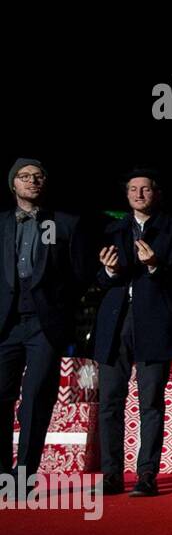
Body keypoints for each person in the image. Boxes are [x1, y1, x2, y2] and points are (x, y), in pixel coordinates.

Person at [92, 169, 172, 497]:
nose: (139, 194)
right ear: (127, 195)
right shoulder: (112, 228)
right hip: (115, 324)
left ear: (156, 193)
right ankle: (111, 475)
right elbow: (98, 280)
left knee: (151, 403)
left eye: (145, 189)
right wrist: (109, 270)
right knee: (109, 402)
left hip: (154, 324)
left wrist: (154, 266)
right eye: (133, 189)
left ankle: (146, 475)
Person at [0, 159, 95, 483]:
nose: (32, 181)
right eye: (24, 177)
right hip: (5, 324)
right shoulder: (0, 224)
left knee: (36, 399)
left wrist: (59, 303)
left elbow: (81, 274)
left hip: (45, 325)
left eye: (38, 177)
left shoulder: (66, 224)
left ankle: (23, 476)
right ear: (13, 184)